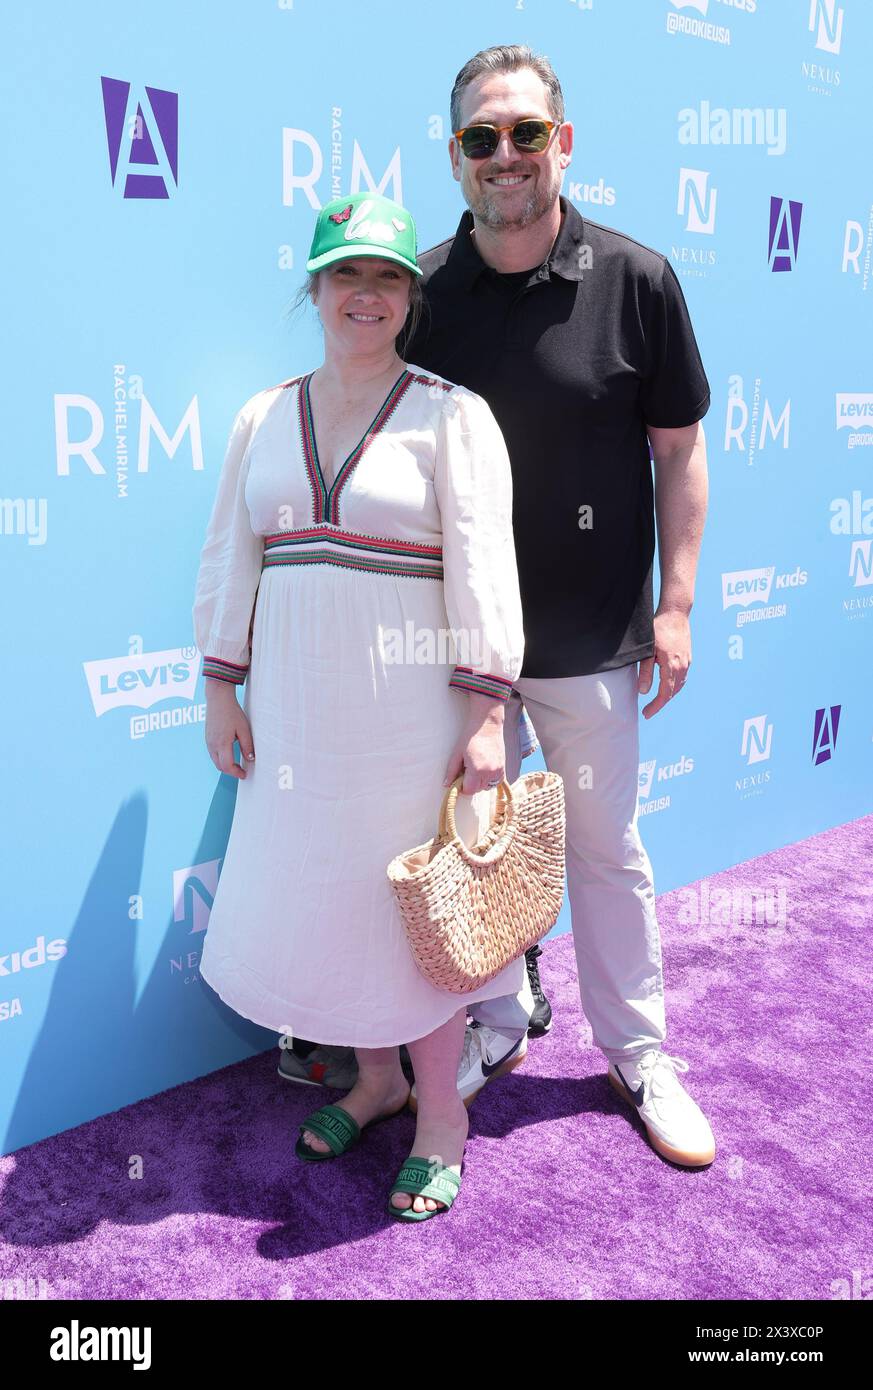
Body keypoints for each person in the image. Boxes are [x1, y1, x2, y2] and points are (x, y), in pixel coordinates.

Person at [294, 43, 717, 1168]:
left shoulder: (637, 279)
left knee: (604, 852)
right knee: (461, 853)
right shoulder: (424, 295)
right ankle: (490, 1028)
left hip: (588, 639)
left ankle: (639, 1055)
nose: (506, 157)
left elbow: (679, 455)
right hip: (456, 646)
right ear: (455, 157)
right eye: (482, 139)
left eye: (527, 133)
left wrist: (675, 606)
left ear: (563, 142)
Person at [192, 189, 535, 1220]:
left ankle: (442, 1115)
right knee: (334, 908)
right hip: (297, 713)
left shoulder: (452, 415)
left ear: (410, 295)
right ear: (317, 287)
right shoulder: (264, 415)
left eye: (389, 276)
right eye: (348, 273)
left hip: (409, 719)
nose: (368, 293)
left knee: (410, 922)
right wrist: (220, 684)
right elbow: (229, 554)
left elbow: (486, 566)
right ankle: (373, 1079)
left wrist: (485, 716)